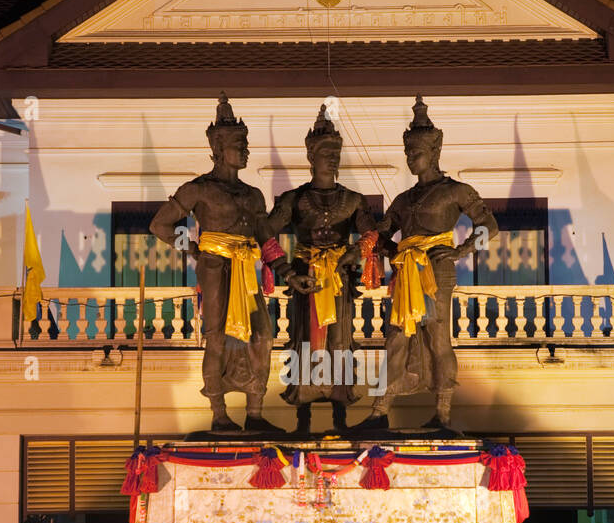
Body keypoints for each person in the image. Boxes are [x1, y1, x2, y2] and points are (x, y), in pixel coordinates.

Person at [149, 93, 314, 433]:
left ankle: (255, 411)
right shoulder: (199, 189)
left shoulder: (252, 195)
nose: (245, 150)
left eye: (246, 144)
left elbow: (264, 237)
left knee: (262, 335)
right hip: (215, 268)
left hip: (246, 270)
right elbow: (160, 225)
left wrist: (286, 272)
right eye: (239, 144)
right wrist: (192, 248)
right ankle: (219, 412)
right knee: (218, 337)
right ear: (218, 149)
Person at [352, 96, 498, 432]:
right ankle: (380, 409)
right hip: (406, 273)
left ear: (433, 153)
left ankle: (443, 412)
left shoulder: (455, 190)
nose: (410, 159)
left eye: (415, 152)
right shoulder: (404, 200)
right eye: (407, 153)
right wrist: (379, 244)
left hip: (437, 268)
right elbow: (383, 233)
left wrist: (461, 251)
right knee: (396, 336)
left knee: (437, 336)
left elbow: (490, 226)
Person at [268, 106, 378, 434]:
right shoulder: (295, 199)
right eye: (326, 153)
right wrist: (286, 271)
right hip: (305, 280)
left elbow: (372, 234)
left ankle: (340, 415)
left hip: (339, 281)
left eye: (336, 153)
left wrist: (355, 252)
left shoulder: (353, 200)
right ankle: (302, 416)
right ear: (311, 156)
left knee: (340, 340)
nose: (332, 159)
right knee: (304, 339)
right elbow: (264, 231)